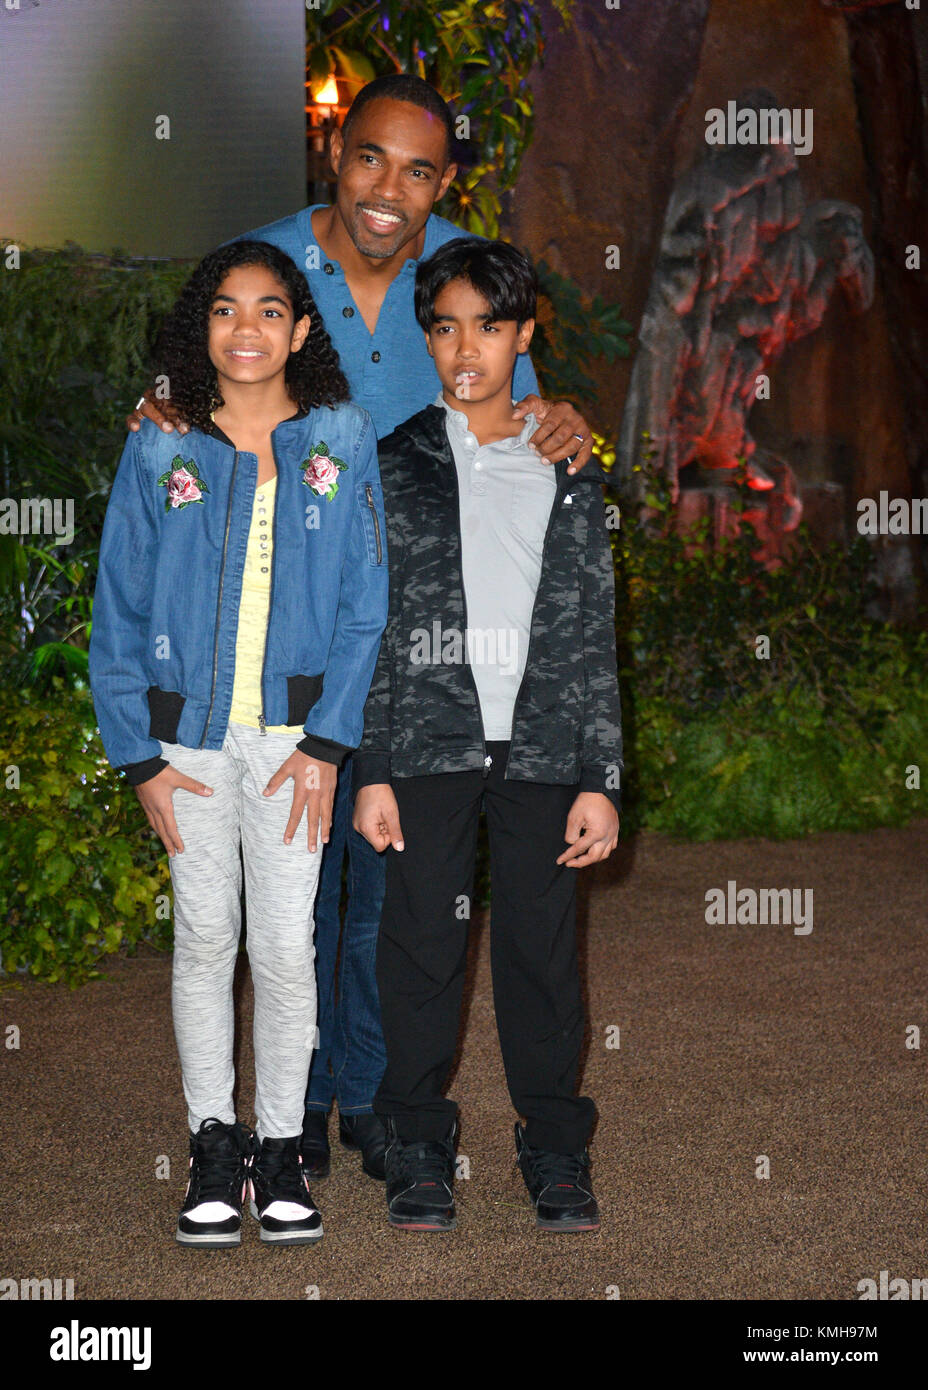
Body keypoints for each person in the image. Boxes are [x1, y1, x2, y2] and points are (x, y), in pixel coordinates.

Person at [128, 74, 597, 1186]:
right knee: (295, 874)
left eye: (419, 170)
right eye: (371, 157)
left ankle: (370, 1101)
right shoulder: (267, 263)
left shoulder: (466, 275)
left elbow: (517, 411)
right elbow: (192, 385)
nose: (390, 188)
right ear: (334, 150)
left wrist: (562, 416)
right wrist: (159, 406)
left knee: (393, 885)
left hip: (428, 630)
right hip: (290, 625)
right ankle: (289, 1107)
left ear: (446, 181)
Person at [89, 240, 388, 1248]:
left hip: (297, 744)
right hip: (188, 744)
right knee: (206, 938)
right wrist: (139, 755)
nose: (246, 328)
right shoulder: (161, 442)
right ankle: (213, 1145)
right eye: (225, 309)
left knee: (286, 945)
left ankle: (281, 1148)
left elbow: (366, 602)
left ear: (299, 330)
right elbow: (119, 605)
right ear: (202, 326)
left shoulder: (341, 435)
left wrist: (328, 740)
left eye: (269, 310)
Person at [353, 237, 623, 1233]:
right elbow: (373, 628)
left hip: (544, 746)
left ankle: (553, 1141)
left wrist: (600, 775)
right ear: (426, 337)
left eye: (490, 326)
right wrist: (372, 767)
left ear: (523, 335)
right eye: (446, 328)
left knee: (542, 953)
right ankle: (417, 1139)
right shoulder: (394, 462)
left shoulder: (565, 461)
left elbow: (590, 624)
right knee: (421, 944)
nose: (467, 348)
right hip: (427, 742)